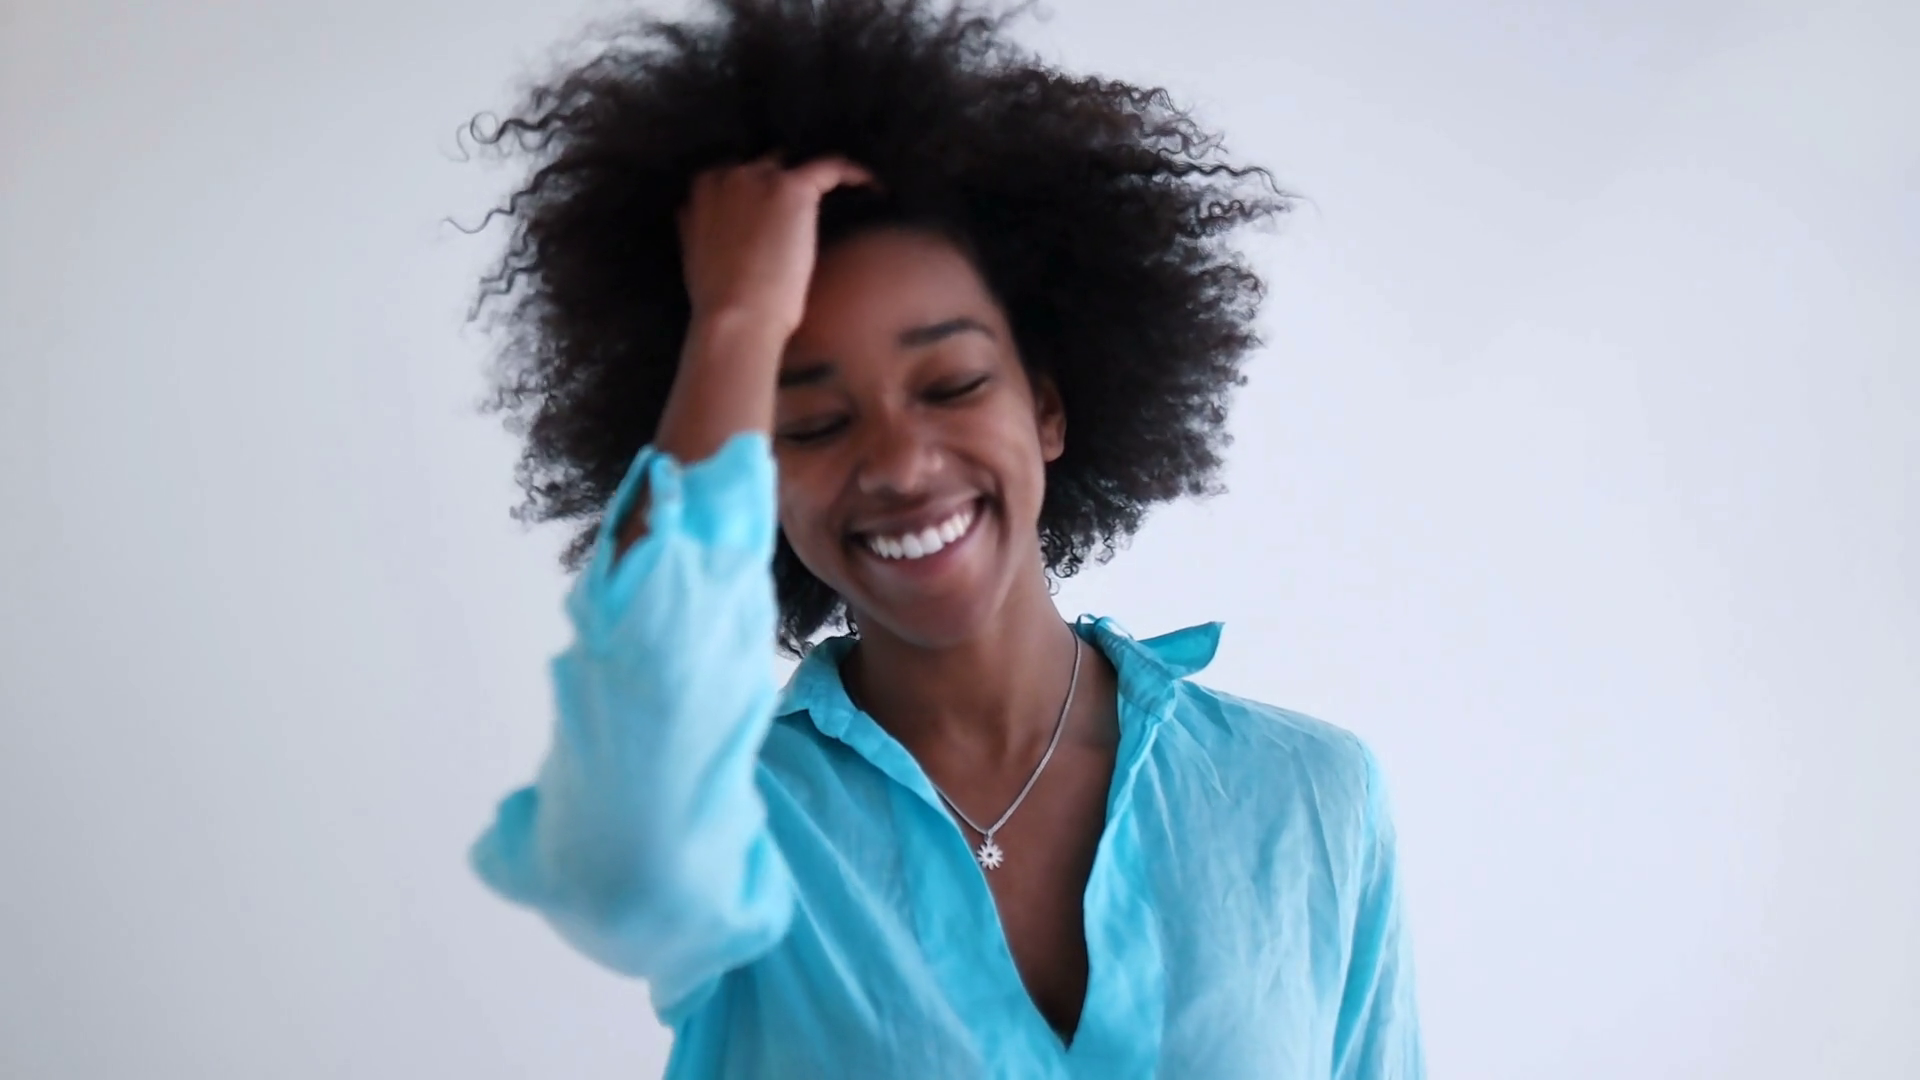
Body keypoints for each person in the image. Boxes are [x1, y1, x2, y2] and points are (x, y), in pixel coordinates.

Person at [465, 1, 1422, 1076]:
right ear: (759, 475)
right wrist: (733, 321)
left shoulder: (1306, 799)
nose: (902, 464)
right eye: (814, 423)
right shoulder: (739, 819)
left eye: (955, 384)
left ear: (1049, 408)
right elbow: (621, 867)